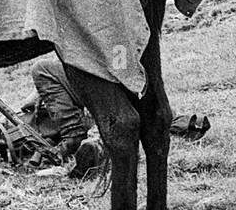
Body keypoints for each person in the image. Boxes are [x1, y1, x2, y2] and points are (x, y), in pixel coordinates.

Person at [21, 58, 209, 177]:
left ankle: (81, 141)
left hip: (109, 75)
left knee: (42, 69)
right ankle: (183, 123)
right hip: (126, 73)